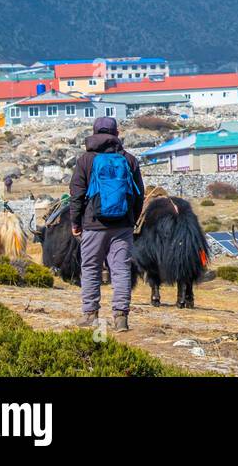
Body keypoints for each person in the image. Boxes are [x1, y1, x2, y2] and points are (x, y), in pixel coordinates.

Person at [68, 117, 144, 332]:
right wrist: (133, 219)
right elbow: (139, 194)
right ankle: (121, 318)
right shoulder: (129, 159)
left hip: (93, 224)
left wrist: (76, 222)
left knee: (91, 267)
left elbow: (76, 195)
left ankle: (90, 315)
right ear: (117, 133)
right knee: (120, 270)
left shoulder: (85, 160)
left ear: (94, 132)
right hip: (123, 226)